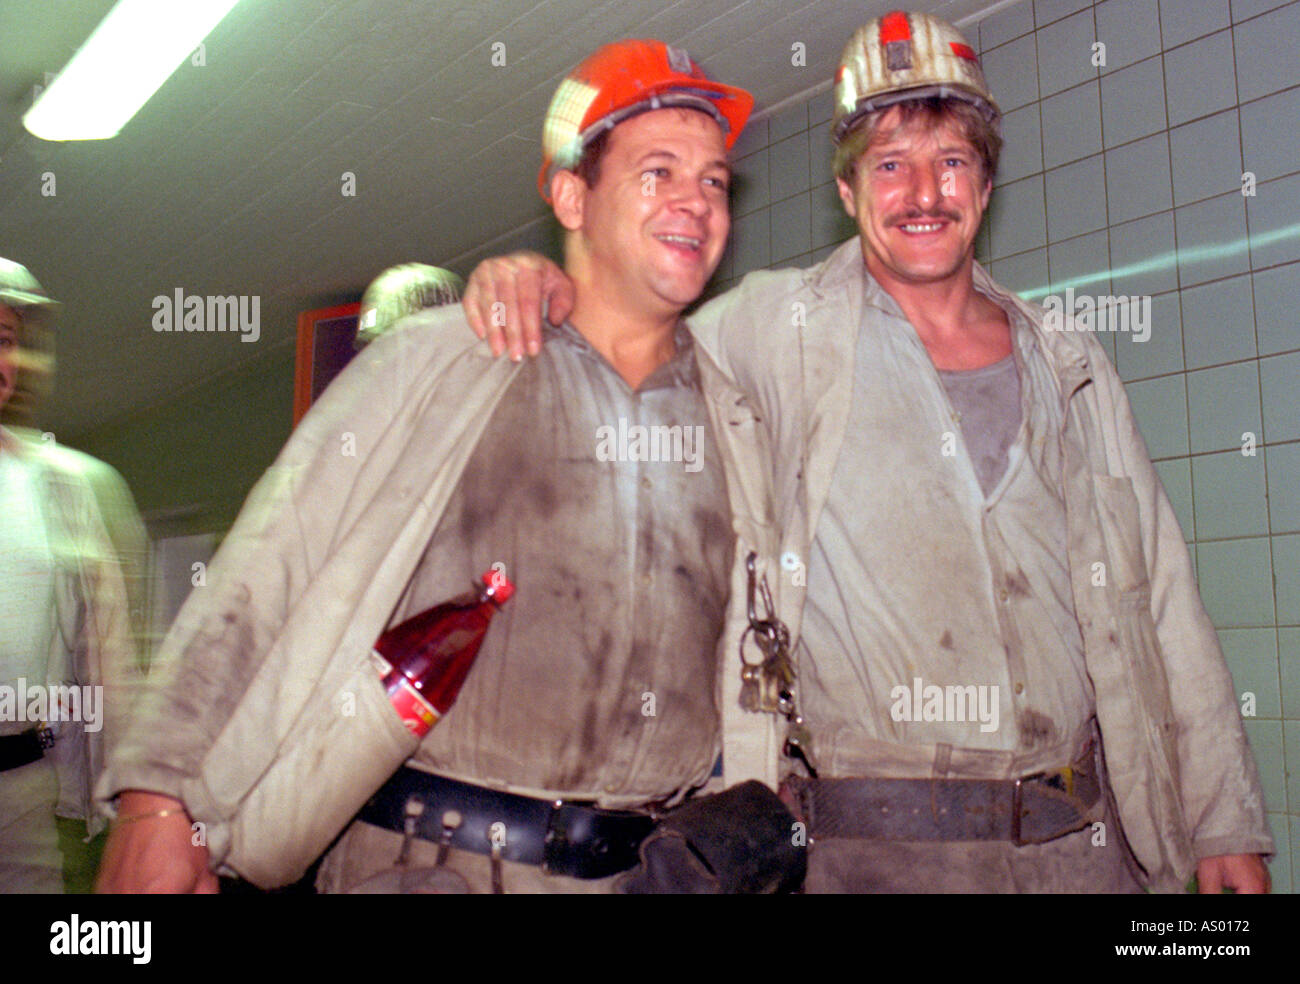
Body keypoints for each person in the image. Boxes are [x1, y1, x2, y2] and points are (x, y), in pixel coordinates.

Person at [461, 11, 1273, 893]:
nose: (924, 193)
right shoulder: (773, 330)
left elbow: (1163, 598)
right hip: (869, 858)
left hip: (1081, 848)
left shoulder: (1071, 362)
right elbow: (625, 346)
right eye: (891, 165)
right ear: (847, 194)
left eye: (952, 162)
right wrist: (550, 288)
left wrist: (1220, 820)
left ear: (987, 186)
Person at [95, 40, 780, 894]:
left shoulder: (737, 421)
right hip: (433, 867)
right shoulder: (448, 359)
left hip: (651, 874)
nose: (696, 202)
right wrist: (160, 800)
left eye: (714, 180)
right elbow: (271, 568)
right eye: (659, 172)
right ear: (573, 194)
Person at [0, 257, 140, 892]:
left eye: (4, 339)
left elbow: (112, 663)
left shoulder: (67, 486)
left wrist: (140, 802)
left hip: (24, 789)